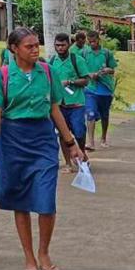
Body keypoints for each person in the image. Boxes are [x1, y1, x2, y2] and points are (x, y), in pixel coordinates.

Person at [0, 27, 86, 270]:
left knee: (46, 201)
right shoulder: (3, 76)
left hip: (43, 141)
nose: (35, 49)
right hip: (12, 142)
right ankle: (29, 258)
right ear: (14, 49)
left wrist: (72, 145)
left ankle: (44, 253)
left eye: (36, 44)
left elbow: (55, 109)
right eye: (28, 46)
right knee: (21, 202)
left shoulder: (47, 72)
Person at [48, 33, 90, 173]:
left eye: (63, 45)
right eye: (57, 45)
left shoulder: (76, 60)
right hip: (59, 104)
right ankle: (68, 163)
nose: (60, 48)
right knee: (63, 133)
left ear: (69, 45)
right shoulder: (52, 61)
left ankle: (81, 153)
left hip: (76, 102)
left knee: (79, 131)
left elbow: (86, 80)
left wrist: (70, 82)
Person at [82, 30, 118, 149]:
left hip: (105, 89)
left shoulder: (106, 53)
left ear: (99, 40)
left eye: (94, 41)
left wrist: (108, 70)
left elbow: (113, 69)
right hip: (90, 88)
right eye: (90, 41)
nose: (92, 44)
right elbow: (80, 69)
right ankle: (91, 142)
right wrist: (89, 74)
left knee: (104, 115)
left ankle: (103, 137)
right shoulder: (85, 53)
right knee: (90, 113)